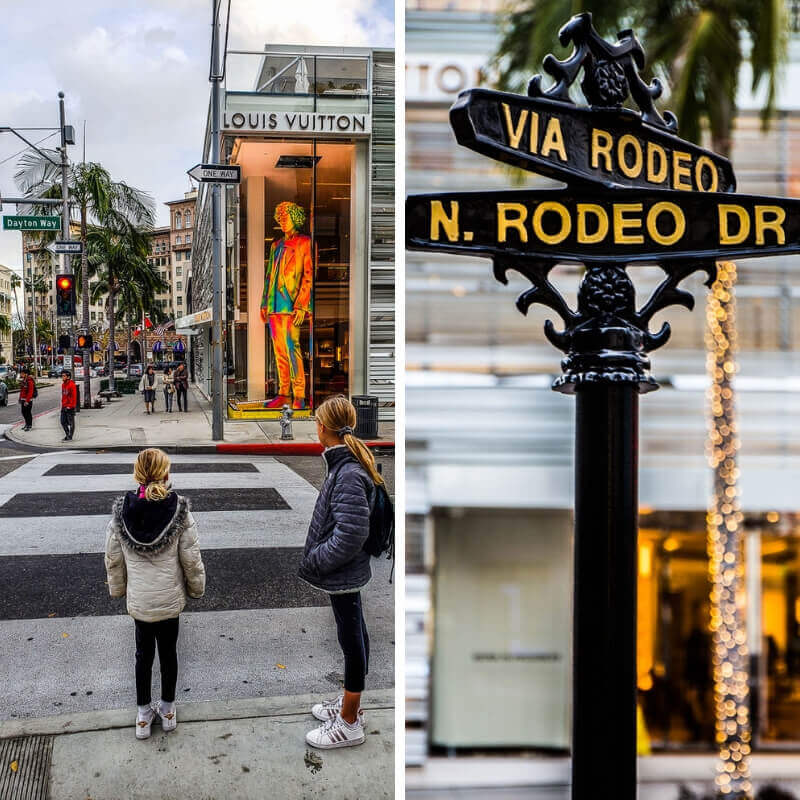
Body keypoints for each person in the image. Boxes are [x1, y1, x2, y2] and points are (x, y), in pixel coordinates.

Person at [299, 395, 384, 749]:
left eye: (317, 422)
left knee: (351, 640)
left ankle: (349, 722)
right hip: (346, 571)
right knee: (355, 633)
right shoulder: (345, 463)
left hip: (342, 571)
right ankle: (351, 704)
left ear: (324, 427)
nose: (315, 427)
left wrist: (319, 558)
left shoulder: (347, 471)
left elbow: (351, 533)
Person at [103, 448, 205, 739]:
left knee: (142, 655)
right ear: (166, 473)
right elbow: (191, 558)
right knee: (169, 652)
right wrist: (196, 589)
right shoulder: (179, 510)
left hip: (141, 601)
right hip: (170, 601)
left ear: (137, 474)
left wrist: (118, 589)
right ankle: (169, 710)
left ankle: (143, 716)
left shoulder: (122, 512)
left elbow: (113, 558)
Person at [260, 201, 313, 410]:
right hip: (274, 306)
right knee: (279, 351)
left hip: (291, 307)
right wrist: (264, 302)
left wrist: (302, 305)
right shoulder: (276, 246)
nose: (282, 220)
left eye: (285, 216)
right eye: (279, 217)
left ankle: (299, 394)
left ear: (295, 218)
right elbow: (268, 277)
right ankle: (284, 393)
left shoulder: (304, 243)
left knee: (293, 349)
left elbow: (308, 276)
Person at [60, 370, 77, 441]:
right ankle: (67, 434)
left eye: (64, 376)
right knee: (62, 421)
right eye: (62, 376)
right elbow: (64, 396)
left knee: (71, 422)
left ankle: (70, 436)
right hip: (64, 406)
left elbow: (74, 397)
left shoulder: (72, 385)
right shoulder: (63, 385)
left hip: (70, 407)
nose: (62, 377)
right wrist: (63, 404)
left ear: (68, 377)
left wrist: (70, 406)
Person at [18, 366, 34, 431]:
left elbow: (30, 391)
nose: (21, 374)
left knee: (27, 413)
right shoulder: (24, 380)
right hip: (23, 399)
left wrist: (27, 401)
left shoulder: (29, 381)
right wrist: (20, 398)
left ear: (26, 374)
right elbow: (22, 390)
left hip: (28, 400)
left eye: (22, 373)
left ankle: (29, 425)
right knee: (23, 412)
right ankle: (26, 424)